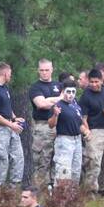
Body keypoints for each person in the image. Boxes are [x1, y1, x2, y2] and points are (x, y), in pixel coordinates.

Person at [0, 62, 26, 188]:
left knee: (18, 158)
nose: (10, 76)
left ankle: (13, 191)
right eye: (10, 74)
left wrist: (14, 118)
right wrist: (10, 124)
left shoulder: (5, 88)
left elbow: (6, 108)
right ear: (5, 73)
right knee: (2, 160)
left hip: (10, 127)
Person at [27, 59, 64, 190]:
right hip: (42, 127)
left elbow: (68, 101)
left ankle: (56, 192)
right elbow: (41, 104)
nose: (44, 73)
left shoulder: (59, 86)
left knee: (58, 159)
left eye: (47, 70)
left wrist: (50, 100)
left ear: (52, 70)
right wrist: (59, 99)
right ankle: (40, 192)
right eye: (42, 70)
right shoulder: (35, 87)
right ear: (38, 70)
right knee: (42, 160)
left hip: (59, 126)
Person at [79, 68, 104, 194]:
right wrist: (87, 131)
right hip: (94, 132)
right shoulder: (86, 96)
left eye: (96, 82)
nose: (94, 84)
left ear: (101, 80)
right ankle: (90, 192)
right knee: (93, 163)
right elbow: (83, 117)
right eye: (92, 82)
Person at [49, 81, 86, 186]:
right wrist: (55, 115)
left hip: (77, 140)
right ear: (63, 92)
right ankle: (60, 198)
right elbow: (51, 125)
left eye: (73, 92)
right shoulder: (58, 105)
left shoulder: (76, 105)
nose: (71, 94)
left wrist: (86, 131)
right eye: (68, 91)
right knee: (63, 170)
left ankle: (72, 199)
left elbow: (78, 124)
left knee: (75, 170)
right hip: (64, 140)